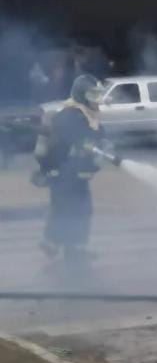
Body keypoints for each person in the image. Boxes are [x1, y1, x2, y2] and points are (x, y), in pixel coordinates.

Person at [35, 75, 106, 263]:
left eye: (97, 94)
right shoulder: (73, 117)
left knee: (67, 210)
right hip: (67, 174)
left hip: (70, 175)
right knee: (76, 210)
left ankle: (59, 245)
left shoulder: (78, 114)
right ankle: (64, 247)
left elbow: (94, 138)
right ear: (82, 95)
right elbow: (71, 145)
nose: (97, 99)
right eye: (93, 95)